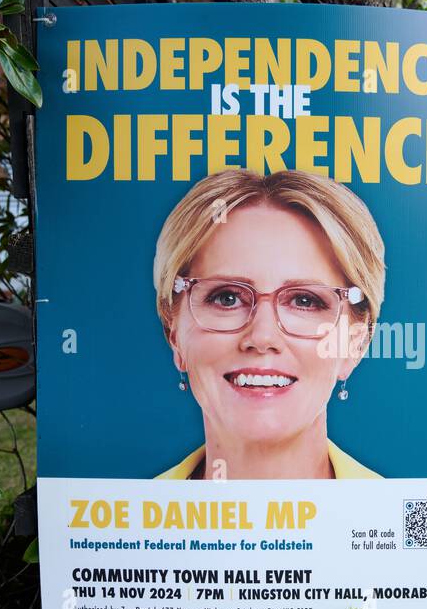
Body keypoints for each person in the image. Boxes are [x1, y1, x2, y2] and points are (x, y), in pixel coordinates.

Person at [152, 169, 386, 479]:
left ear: (356, 342)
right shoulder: (118, 527)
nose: (261, 337)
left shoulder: (398, 522)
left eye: (304, 301)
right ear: (174, 333)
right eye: (227, 298)